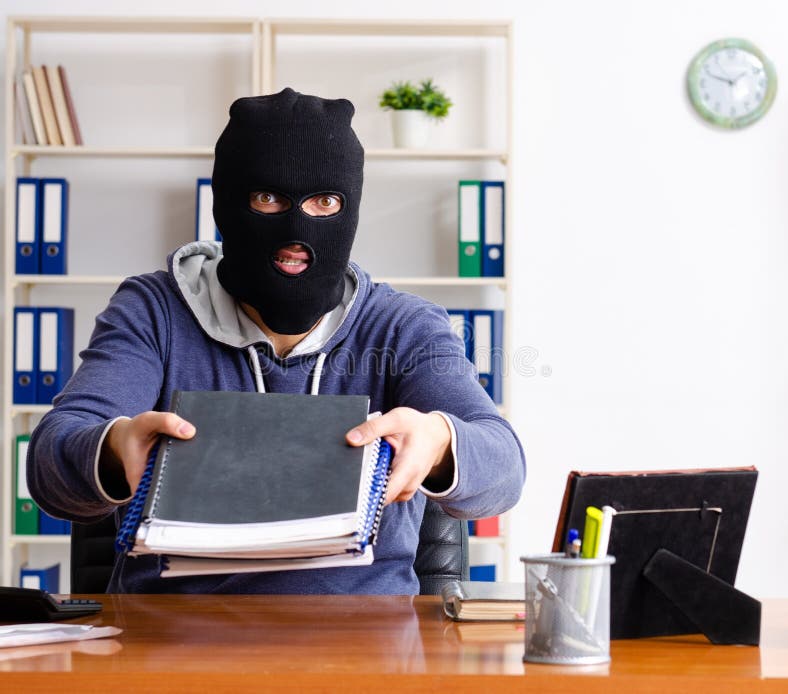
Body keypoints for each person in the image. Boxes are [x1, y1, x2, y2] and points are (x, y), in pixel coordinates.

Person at [27, 88, 526, 594]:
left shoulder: (402, 326)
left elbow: (504, 470)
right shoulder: (155, 311)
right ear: (226, 203)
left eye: (324, 202)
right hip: (174, 639)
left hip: (364, 643)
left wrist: (440, 440)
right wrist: (114, 447)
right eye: (268, 198)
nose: (296, 230)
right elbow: (51, 460)